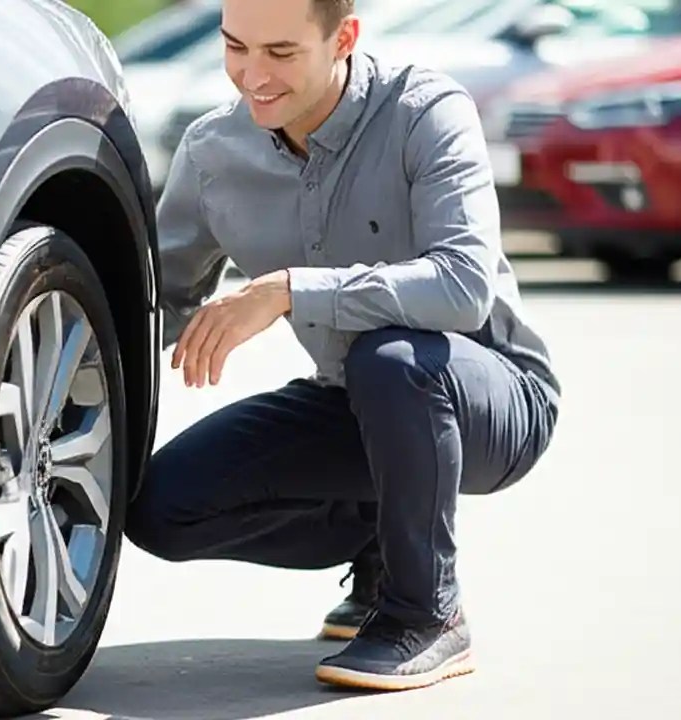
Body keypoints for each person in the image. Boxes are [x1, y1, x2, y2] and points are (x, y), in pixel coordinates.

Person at [124, 0, 562, 692]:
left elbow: (463, 284)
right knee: (163, 510)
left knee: (389, 359)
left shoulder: (424, 111)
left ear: (345, 37)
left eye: (280, 53)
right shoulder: (214, 151)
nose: (252, 75)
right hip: (353, 402)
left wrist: (290, 290)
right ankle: (382, 540)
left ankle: (427, 613)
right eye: (235, 47)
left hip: (489, 395)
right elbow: (157, 304)